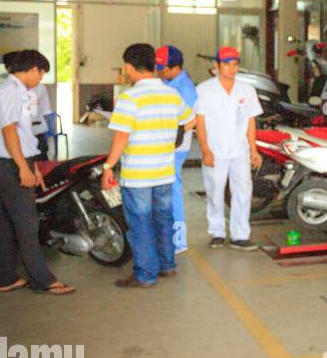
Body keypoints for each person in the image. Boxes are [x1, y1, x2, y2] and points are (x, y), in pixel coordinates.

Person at [102, 43, 195, 288]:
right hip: (164, 172)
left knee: (140, 224)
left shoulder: (129, 97)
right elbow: (190, 120)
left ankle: (145, 274)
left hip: (138, 175)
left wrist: (108, 167)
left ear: (130, 67)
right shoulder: (170, 93)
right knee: (163, 219)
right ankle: (168, 266)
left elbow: (121, 136)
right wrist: (171, 138)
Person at [0, 50, 74, 295]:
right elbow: (9, 131)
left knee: (10, 224)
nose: (40, 79)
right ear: (33, 68)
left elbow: (22, 134)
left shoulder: (9, 90)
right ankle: (43, 280)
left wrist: (32, 165)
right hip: (10, 166)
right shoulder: (11, 92)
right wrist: (23, 167)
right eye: (41, 73)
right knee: (27, 225)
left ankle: (4, 278)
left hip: (8, 163)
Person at [194, 47, 263, 250]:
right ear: (216, 66)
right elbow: (200, 122)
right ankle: (217, 232)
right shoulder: (204, 90)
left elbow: (251, 122)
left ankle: (240, 235)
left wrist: (254, 149)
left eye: (235, 64)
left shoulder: (247, 90)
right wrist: (205, 150)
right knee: (214, 191)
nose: (232, 69)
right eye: (227, 64)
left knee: (243, 191)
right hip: (214, 151)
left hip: (239, 151)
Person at [156, 45, 199, 253]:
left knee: (173, 190)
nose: (159, 71)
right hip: (163, 142)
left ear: (175, 68)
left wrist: (178, 132)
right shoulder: (167, 81)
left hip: (176, 147)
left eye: (162, 67)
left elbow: (192, 119)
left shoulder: (185, 88)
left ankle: (179, 240)